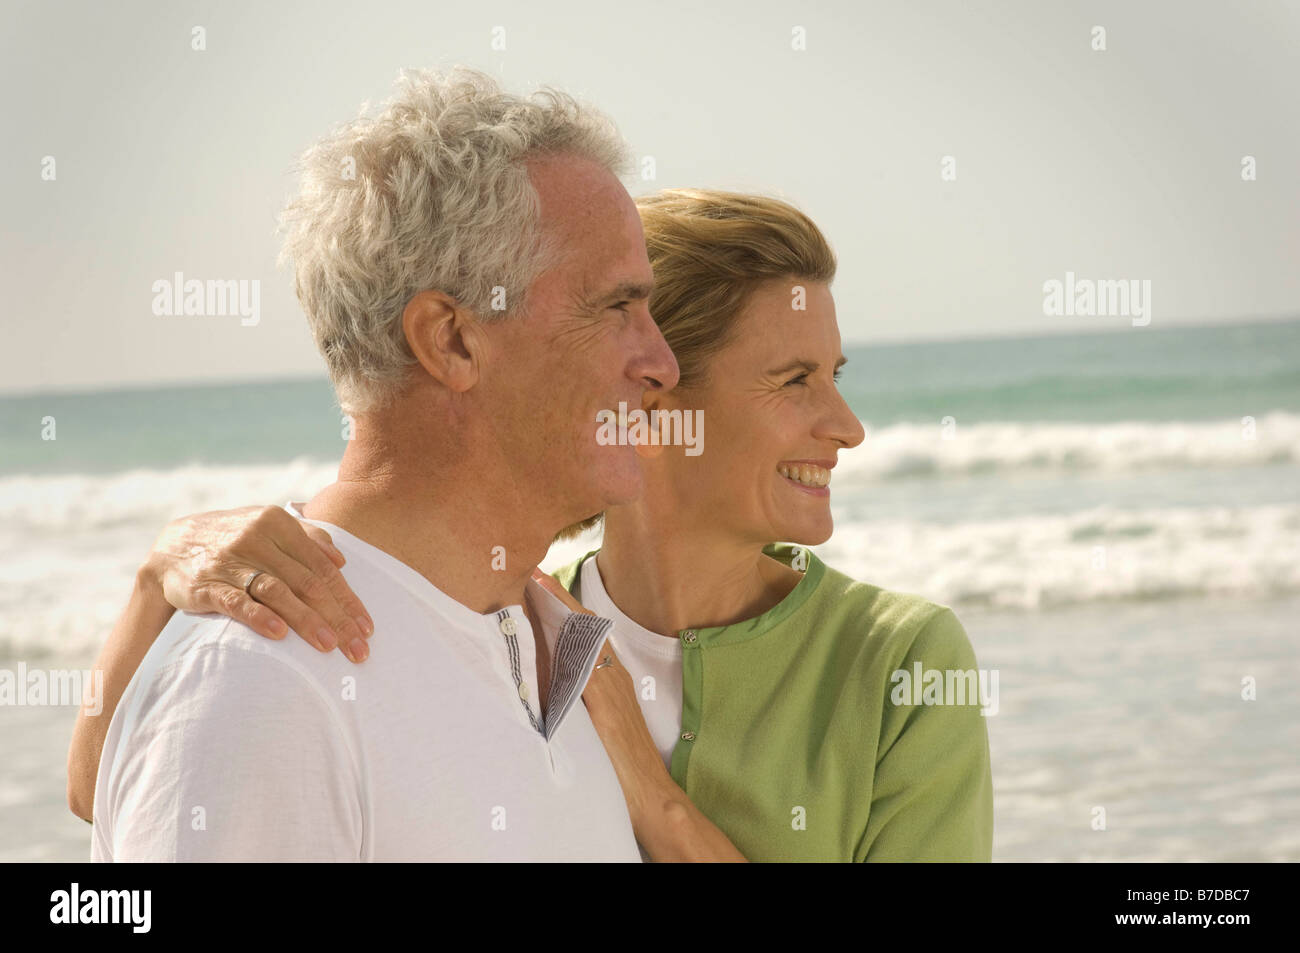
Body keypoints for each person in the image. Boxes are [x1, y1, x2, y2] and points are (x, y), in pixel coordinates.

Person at [72, 183, 995, 862]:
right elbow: (118, 787)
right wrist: (158, 582)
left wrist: (655, 801)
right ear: (662, 388)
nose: (847, 425)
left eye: (838, 375)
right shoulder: (514, 619)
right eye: (796, 381)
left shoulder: (897, 660)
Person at [76, 66, 748, 861]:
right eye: (615, 308)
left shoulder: (557, 654)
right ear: (454, 339)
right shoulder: (263, 683)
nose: (662, 364)